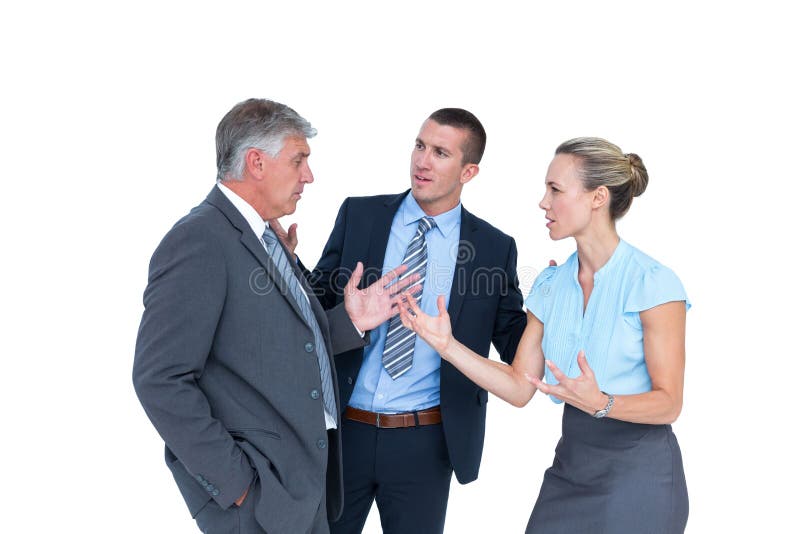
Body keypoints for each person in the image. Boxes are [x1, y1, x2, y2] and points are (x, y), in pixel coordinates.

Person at [132, 98, 419, 534]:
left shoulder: (266, 237)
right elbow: (159, 378)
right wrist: (236, 486)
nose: (309, 175)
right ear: (257, 163)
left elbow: (279, 343)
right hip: (258, 500)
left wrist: (351, 322)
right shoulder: (199, 240)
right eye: (298, 160)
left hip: (304, 488)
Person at [398, 137, 690, 533]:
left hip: (640, 475)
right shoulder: (551, 285)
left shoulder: (653, 283)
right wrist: (447, 346)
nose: (543, 202)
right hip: (571, 469)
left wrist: (601, 403)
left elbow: (669, 404)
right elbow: (520, 386)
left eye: (555, 190)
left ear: (598, 197)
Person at [294, 108, 527, 533]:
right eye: (420, 145)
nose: (422, 161)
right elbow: (315, 307)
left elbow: (516, 344)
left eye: (440, 153)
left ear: (468, 171)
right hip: (345, 431)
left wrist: (554, 304)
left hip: (426, 443)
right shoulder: (360, 215)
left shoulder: (494, 248)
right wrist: (286, 260)